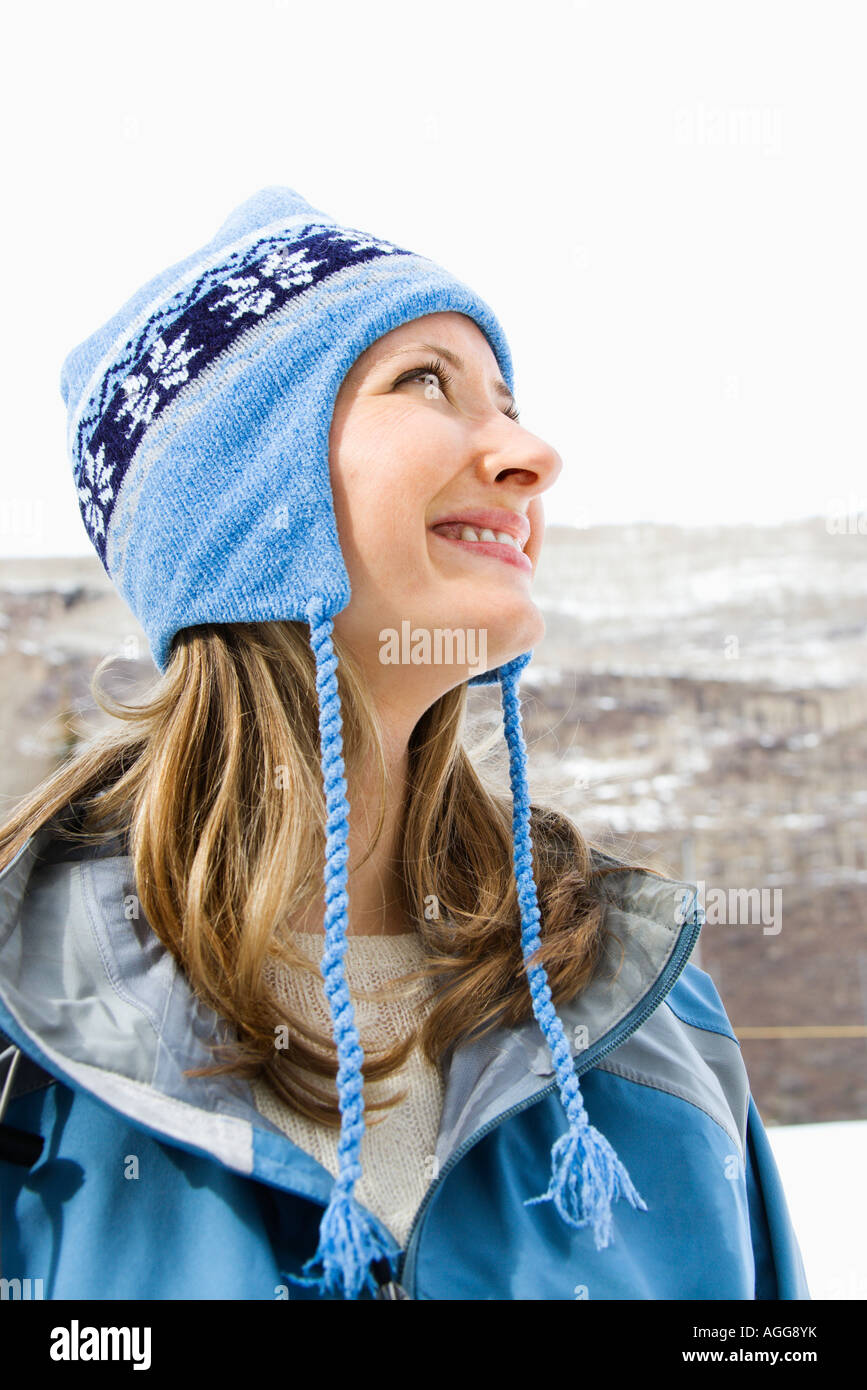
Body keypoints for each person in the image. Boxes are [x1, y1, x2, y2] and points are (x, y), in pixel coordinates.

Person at [0, 187, 809, 1301]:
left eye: (508, 401)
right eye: (426, 380)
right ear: (246, 498)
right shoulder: (27, 1039)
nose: (533, 453)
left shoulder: (647, 1017)